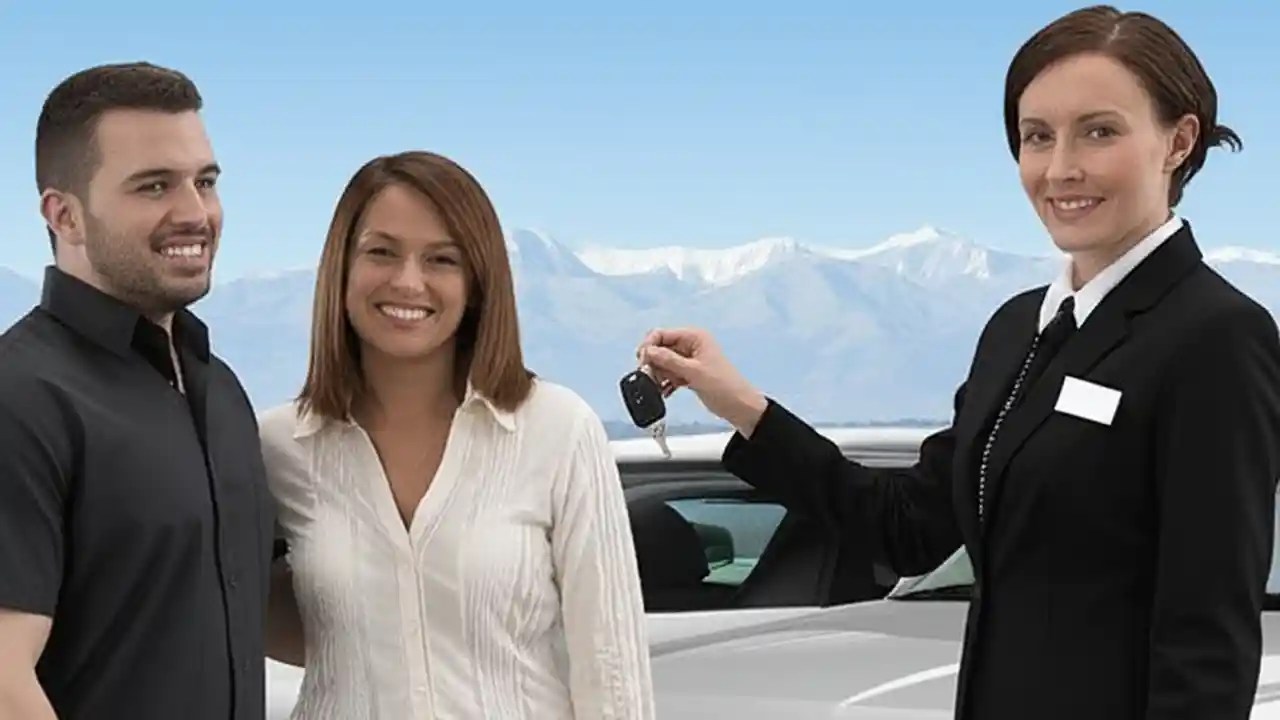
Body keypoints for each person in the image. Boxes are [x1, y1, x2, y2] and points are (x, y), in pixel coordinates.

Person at [637, 6, 1280, 720]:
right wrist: (741, 406)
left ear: (1178, 141)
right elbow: (909, 528)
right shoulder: (1015, 330)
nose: (1061, 168)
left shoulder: (1217, 337)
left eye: (1099, 131)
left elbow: (1207, 637)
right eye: (1037, 137)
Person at [258, 150, 654, 719]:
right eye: (381, 252)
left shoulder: (558, 429)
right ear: (341, 267)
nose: (408, 281)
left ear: (477, 282)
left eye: (442, 259)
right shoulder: (277, 447)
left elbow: (612, 667)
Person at [0, 63, 274, 720]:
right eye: (154, 186)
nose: (195, 213)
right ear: (63, 214)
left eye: (204, 182)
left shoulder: (221, 389)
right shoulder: (21, 397)